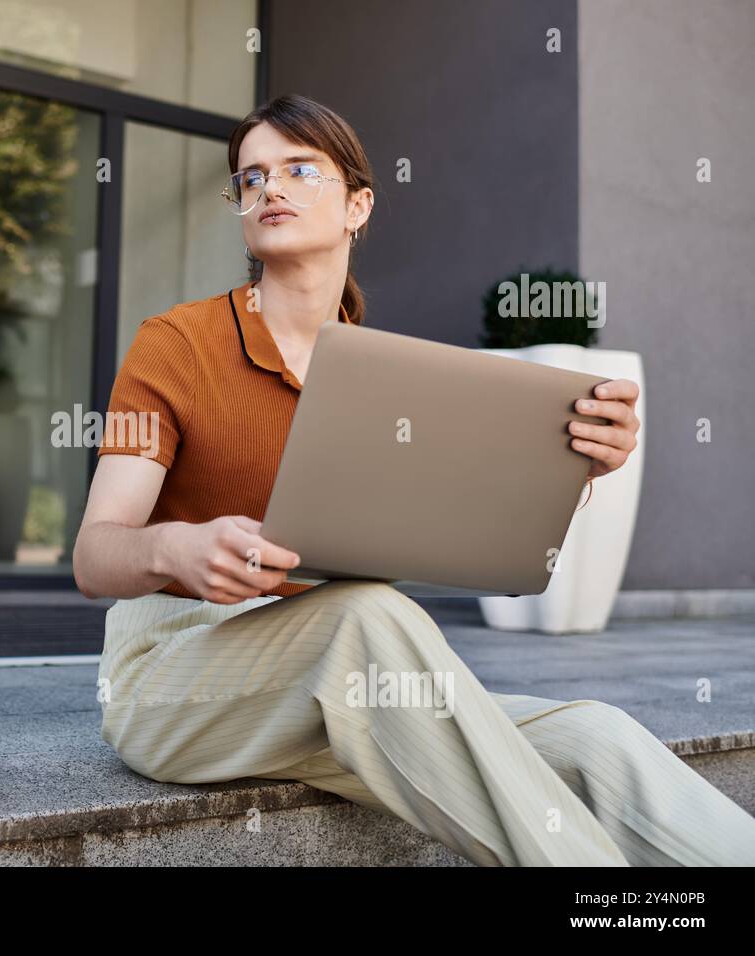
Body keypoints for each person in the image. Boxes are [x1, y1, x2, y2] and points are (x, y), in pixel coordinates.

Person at [71, 93, 755, 866]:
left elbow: (473, 530)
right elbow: (96, 557)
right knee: (365, 612)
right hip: (170, 683)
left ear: (359, 205)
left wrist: (581, 461)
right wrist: (177, 549)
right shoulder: (176, 343)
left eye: (300, 169)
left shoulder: (382, 375)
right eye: (251, 176)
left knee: (597, 738)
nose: (270, 188)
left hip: (341, 687)